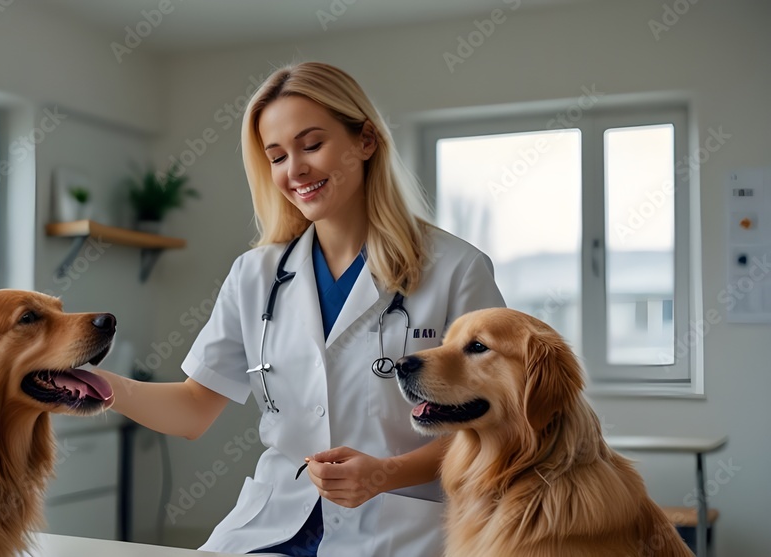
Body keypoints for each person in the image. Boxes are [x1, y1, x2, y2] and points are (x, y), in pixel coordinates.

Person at [100, 61, 505, 556]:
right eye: (276, 157)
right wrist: (103, 387)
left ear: (366, 141)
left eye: (311, 145)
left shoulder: (457, 269)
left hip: (401, 526)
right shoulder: (256, 275)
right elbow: (193, 410)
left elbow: (493, 428)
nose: (294, 170)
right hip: (274, 523)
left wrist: (383, 473)